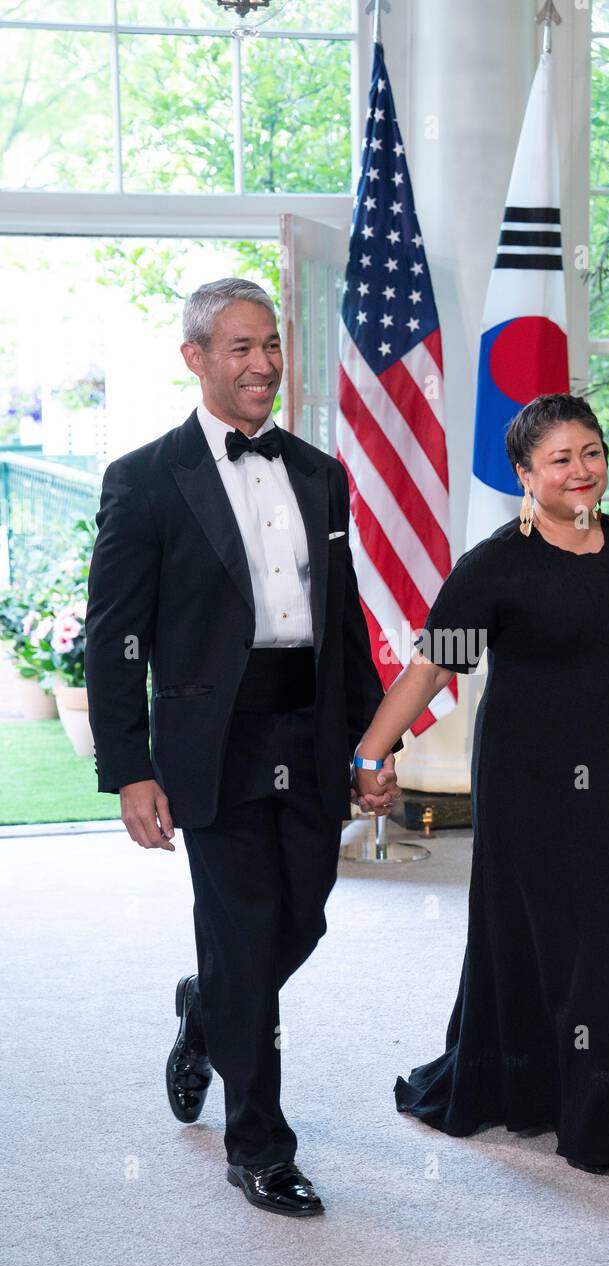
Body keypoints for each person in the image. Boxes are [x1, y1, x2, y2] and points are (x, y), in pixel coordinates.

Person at [353, 392, 609, 1175]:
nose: (581, 470)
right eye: (560, 459)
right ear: (525, 473)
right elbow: (431, 666)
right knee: (562, 930)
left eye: (590, 452)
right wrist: (370, 752)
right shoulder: (497, 565)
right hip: (533, 774)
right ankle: (557, 1100)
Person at [84, 277, 400, 1217]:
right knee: (248, 925)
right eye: (240, 349)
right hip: (209, 741)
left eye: (270, 346)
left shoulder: (319, 472)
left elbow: (344, 622)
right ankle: (258, 1145)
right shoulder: (143, 479)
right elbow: (114, 637)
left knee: (299, 917)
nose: (262, 365)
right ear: (195, 358)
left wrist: (372, 744)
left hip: (309, 727)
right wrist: (132, 767)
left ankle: (204, 1006)